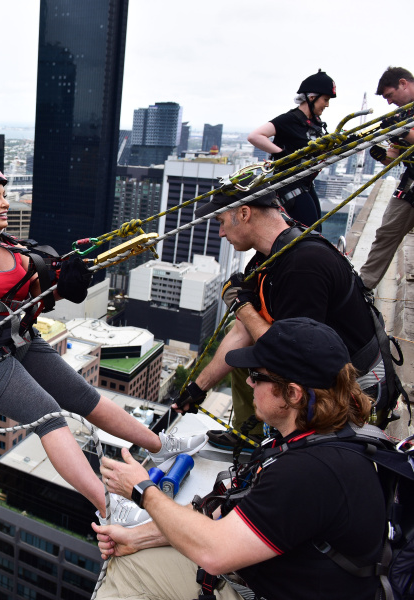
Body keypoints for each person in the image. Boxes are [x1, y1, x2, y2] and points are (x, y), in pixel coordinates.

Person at [0, 155, 206, 523]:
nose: (4, 203)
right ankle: (110, 507)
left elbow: (33, 297)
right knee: (49, 414)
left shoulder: (10, 247)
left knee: (83, 396)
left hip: (13, 336)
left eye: (4, 194)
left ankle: (159, 445)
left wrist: (65, 286)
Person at [94, 318, 386, 600]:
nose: (248, 380)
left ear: (293, 394)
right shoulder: (319, 439)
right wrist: (137, 538)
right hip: (276, 570)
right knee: (137, 555)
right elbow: (221, 516)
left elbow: (215, 551)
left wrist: (143, 491)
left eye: (257, 376)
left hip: (263, 584)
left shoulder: (305, 472)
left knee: (130, 571)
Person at [176, 184, 402, 445]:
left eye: (223, 221)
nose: (221, 232)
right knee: (243, 343)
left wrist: (241, 305)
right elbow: (242, 333)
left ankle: (279, 444)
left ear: (245, 213)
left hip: (354, 395)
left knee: (262, 350)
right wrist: (197, 389)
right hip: (325, 376)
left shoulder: (302, 267)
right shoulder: (270, 257)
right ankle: (251, 437)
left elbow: (290, 355)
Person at [247, 69, 336, 229]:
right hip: (290, 185)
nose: (327, 104)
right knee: (309, 230)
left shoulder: (315, 123)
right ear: (312, 97)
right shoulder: (289, 120)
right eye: (325, 99)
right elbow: (255, 136)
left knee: (316, 229)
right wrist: (281, 154)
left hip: (306, 183)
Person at [359, 66, 414, 291]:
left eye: (390, 95)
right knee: (386, 233)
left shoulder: (400, 121)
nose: (389, 103)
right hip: (410, 183)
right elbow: (393, 158)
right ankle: (362, 287)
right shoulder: (402, 116)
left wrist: (400, 131)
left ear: (403, 83)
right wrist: (381, 156)